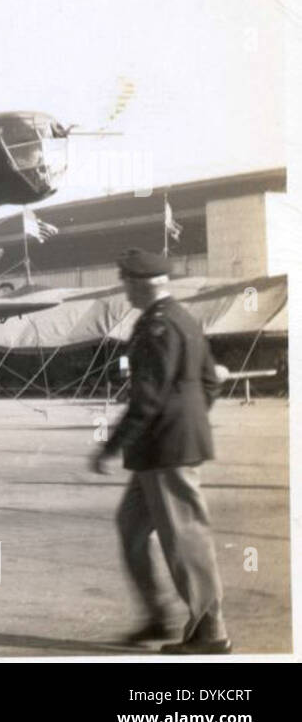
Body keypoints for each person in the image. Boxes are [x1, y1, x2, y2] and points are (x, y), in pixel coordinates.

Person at [89, 248, 230, 654]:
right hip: (163, 448)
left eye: (127, 282)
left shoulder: (157, 327)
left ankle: (211, 632)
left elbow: (146, 399)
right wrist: (188, 421)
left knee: (185, 539)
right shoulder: (184, 319)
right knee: (132, 528)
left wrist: (109, 448)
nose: (125, 290)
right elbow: (209, 382)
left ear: (142, 283)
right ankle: (159, 618)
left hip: (165, 450)